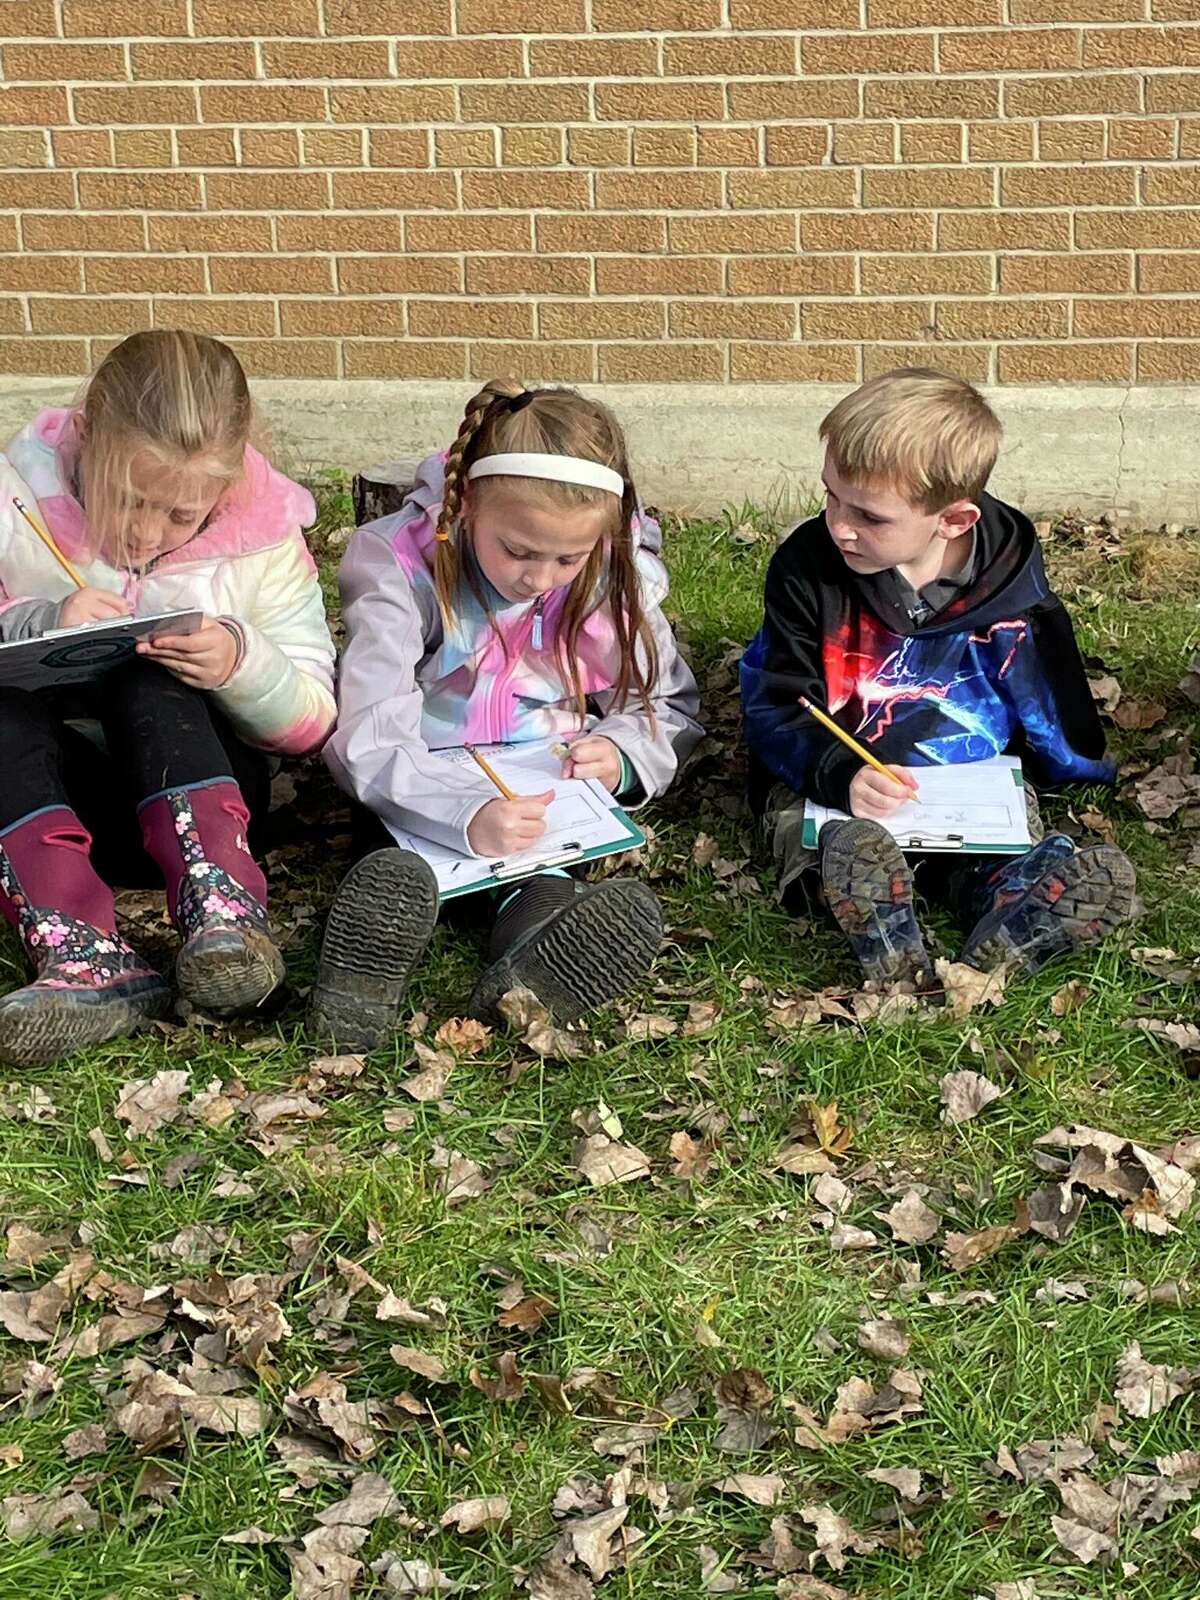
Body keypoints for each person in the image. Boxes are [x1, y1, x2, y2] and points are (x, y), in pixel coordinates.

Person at [311, 379, 702, 1050]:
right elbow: (370, 729)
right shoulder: (401, 566)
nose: (541, 577)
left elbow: (664, 700)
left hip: (543, 792)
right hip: (414, 783)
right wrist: (459, 811)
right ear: (464, 505)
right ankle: (363, 978)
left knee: (543, 876)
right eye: (518, 551)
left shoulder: (613, 575)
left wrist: (624, 750)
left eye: (568, 558)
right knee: (397, 873)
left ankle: (529, 965)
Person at [0, 330, 336, 1065]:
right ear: (86, 439)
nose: (146, 533)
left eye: (181, 516)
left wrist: (237, 665)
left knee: (150, 669)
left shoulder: (264, 535)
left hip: (203, 791)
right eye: (128, 499)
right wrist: (37, 623)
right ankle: (80, 948)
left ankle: (226, 918)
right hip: (54, 804)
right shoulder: (11, 501)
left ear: (225, 489)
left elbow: (314, 719)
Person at [741, 367, 1136, 987]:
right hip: (837, 775)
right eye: (830, 496)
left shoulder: (1010, 585)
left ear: (953, 520)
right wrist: (838, 773)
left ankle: (1015, 909)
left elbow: (1044, 688)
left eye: (869, 515)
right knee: (822, 839)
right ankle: (877, 922)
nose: (838, 525)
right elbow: (777, 699)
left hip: (966, 780)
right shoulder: (807, 568)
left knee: (997, 846)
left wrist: (1074, 764)